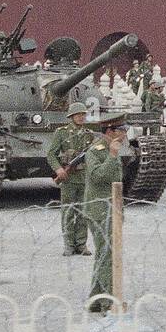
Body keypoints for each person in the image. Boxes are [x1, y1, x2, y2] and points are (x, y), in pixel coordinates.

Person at [83, 118, 128, 316]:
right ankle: (108, 301)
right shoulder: (96, 151)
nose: (125, 134)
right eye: (121, 130)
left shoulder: (111, 148)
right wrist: (112, 155)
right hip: (99, 210)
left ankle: (96, 299)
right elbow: (98, 177)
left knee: (105, 253)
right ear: (110, 131)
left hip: (112, 209)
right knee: (107, 255)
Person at [47, 102, 94, 256]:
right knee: (68, 212)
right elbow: (51, 154)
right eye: (78, 114)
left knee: (83, 213)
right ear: (71, 116)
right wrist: (59, 169)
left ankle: (81, 244)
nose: (81, 117)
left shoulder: (89, 134)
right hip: (68, 178)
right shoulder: (62, 133)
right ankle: (68, 244)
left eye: (83, 114)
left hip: (83, 178)